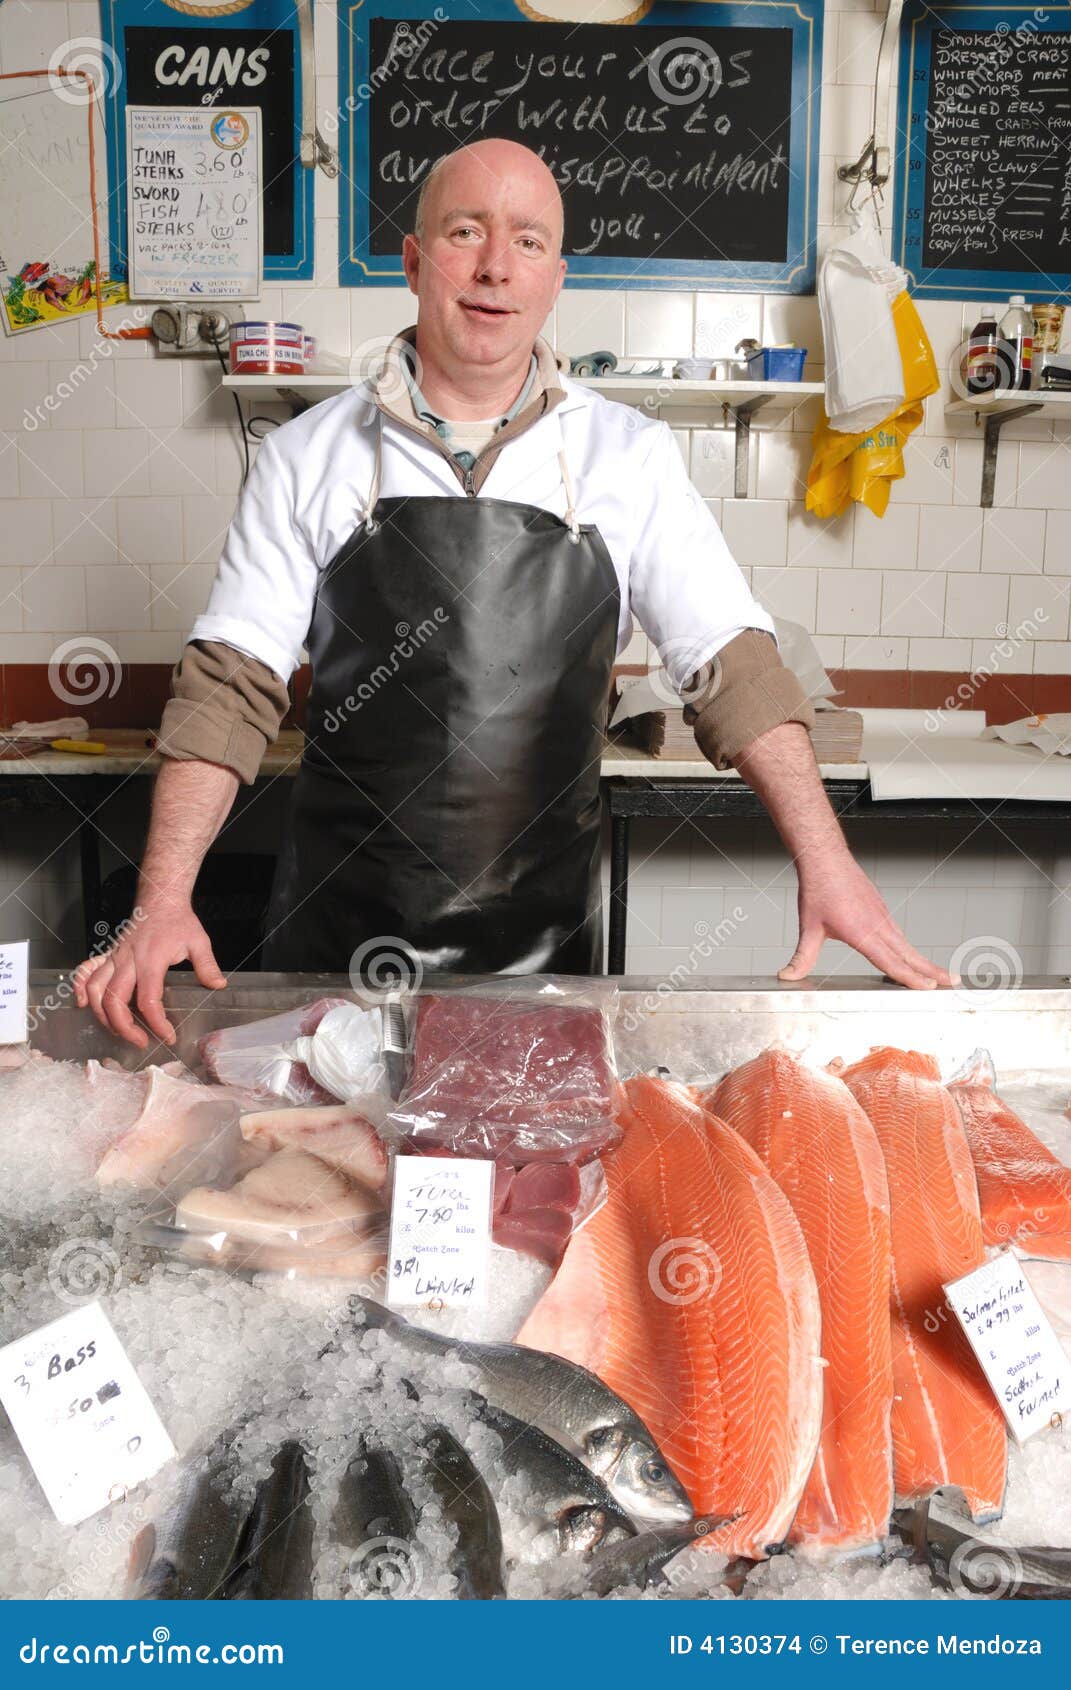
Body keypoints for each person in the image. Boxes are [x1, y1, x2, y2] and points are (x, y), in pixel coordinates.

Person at [75, 139, 951, 1048]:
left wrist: (827, 863)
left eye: (528, 242)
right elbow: (231, 685)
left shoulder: (627, 456)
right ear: (414, 260)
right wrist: (161, 898)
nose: (496, 267)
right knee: (325, 1133)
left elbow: (734, 667)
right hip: (335, 943)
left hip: (545, 951)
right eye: (466, 232)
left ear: (555, 278)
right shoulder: (308, 455)